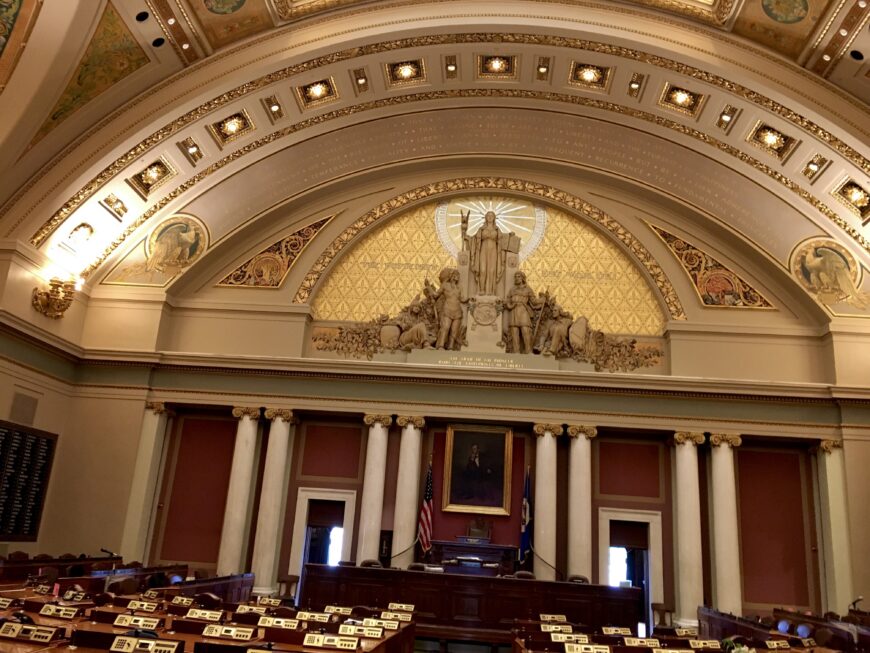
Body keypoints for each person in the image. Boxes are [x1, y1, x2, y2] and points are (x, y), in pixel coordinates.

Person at [466, 210, 510, 295]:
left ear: (494, 218)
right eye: (488, 216)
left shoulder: (497, 230)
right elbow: (474, 239)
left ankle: (491, 291)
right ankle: (482, 290)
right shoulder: (481, 229)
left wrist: (510, 235)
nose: (490, 217)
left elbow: (502, 240)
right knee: (482, 270)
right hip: (483, 250)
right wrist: (466, 236)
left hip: (494, 251)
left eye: (491, 216)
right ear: (486, 218)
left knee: (492, 270)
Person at [505, 271, 544, 354]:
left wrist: (542, 299)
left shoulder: (527, 289)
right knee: (514, 333)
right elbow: (507, 300)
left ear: (522, 278)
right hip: (514, 311)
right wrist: (510, 306)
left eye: (518, 276)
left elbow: (533, 301)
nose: (516, 278)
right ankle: (516, 352)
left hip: (523, 311)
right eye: (515, 277)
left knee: (526, 331)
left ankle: (528, 351)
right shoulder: (512, 290)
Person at [427, 267, 466, 350]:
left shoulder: (459, 288)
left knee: (454, 331)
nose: (457, 277)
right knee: (445, 328)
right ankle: (440, 346)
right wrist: (428, 287)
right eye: (456, 275)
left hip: (457, 311)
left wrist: (470, 300)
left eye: (458, 276)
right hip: (447, 310)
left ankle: (451, 347)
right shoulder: (445, 285)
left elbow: (462, 299)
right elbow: (435, 295)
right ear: (451, 276)